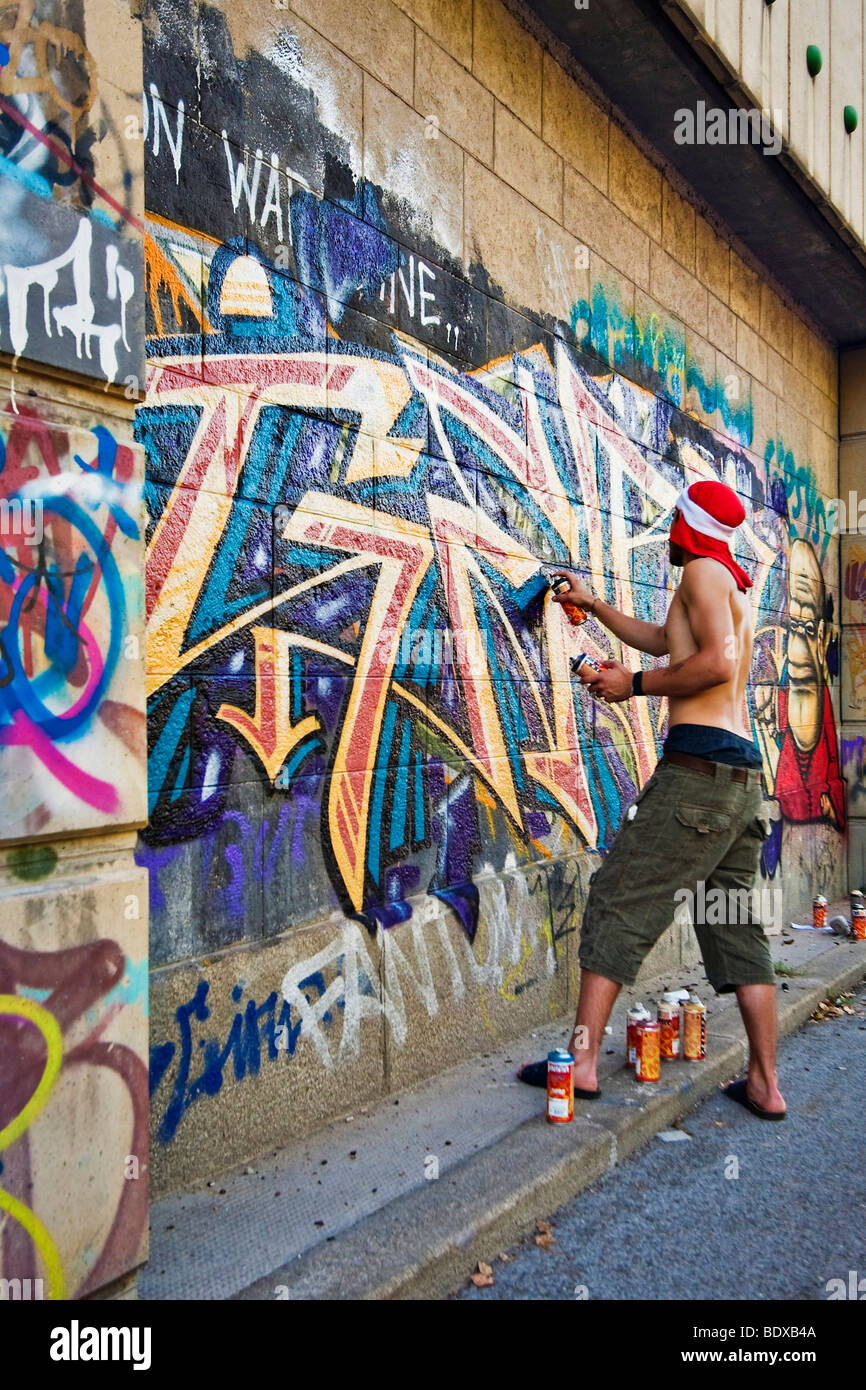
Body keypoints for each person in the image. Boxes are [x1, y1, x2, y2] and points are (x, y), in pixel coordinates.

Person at [519, 479, 787, 1120]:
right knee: (732, 921)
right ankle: (765, 1085)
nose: (669, 531)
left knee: (618, 897)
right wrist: (596, 606)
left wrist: (630, 686)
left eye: (675, 520)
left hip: (699, 773)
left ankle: (581, 1064)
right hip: (742, 781)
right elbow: (670, 642)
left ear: (690, 527)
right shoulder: (725, 583)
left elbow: (715, 666)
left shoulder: (699, 574)